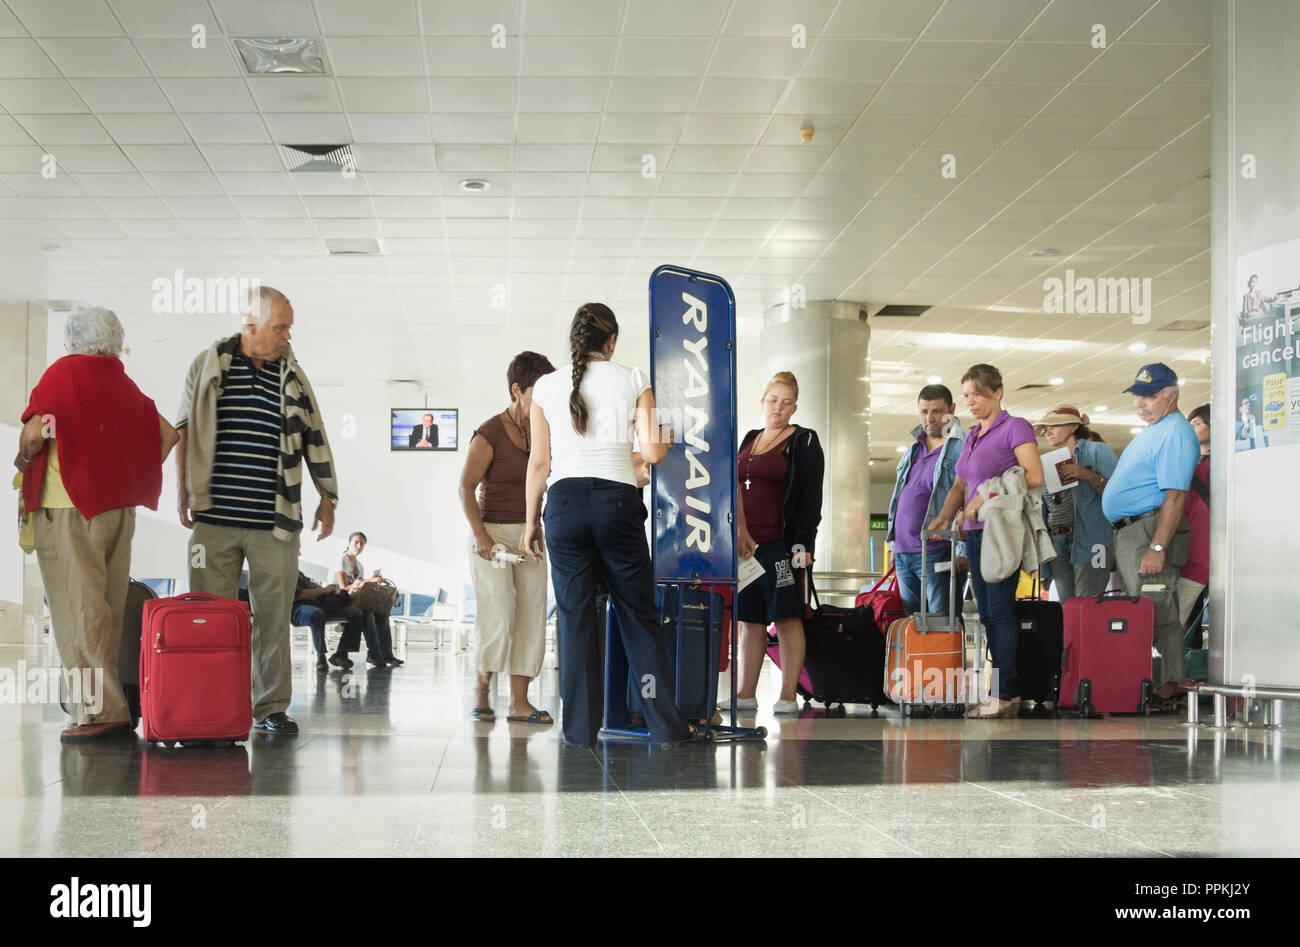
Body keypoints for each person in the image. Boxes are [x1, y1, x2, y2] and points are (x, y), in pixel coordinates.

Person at [522, 303, 693, 746]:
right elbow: (653, 454)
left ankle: (580, 731)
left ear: (574, 340)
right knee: (638, 616)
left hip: (563, 507)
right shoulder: (633, 378)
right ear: (611, 341)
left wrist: (530, 523)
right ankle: (665, 725)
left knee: (575, 619)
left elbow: (539, 463)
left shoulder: (545, 387)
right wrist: (662, 437)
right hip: (617, 505)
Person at [175, 285, 339, 735]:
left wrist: (327, 496)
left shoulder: (293, 377)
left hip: (275, 523)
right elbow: (184, 429)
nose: (287, 336)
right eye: (280, 327)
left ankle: (270, 707)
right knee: (210, 619)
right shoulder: (208, 365)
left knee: (273, 619)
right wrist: (182, 492)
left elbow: (315, 434)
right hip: (214, 520)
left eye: (289, 328)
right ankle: (212, 707)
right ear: (251, 324)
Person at [16, 306, 178, 742]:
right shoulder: (123, 383)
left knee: (77, 614)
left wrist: (26, 458)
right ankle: (112, 704)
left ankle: (100, 712)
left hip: (69, 511)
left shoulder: (63, 374)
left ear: (72, 341)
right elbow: (168, 435)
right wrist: (128, 475)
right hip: (118, 512)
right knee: (106, 610)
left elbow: (34, 434)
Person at [928, 364, 1044, 718]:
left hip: (1002, 530)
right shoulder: (974, 435)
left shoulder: (1015, 427)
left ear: (997, 392)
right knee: (989, 616)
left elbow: (1034, 476)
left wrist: (985, 495)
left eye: (977, 394)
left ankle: (1006, 693)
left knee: (1000, 612)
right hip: (976, 534)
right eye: (967, 396)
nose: (971, 401)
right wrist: (944, 515)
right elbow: (961, 483)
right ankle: (1001, 690)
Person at [458, 351, 556, 723]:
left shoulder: (547, 429)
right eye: (538, 393)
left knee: (532, 616)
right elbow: (465, 488)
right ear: (517, 391)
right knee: (498, 612)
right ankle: (482, 693)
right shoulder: (490, 433)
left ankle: (519, 702)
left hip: (531, 534)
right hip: (493, 535)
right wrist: (481, 536)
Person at [1101, 363, 1199, 709]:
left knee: (1156, 610)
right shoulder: (1156, 429)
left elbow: (1176, 495)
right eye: (1137, 395)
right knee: (1149, 610)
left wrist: (1157, 546)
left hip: (1149, 530)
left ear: (1172, 396)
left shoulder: (1175, 433)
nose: (1140, 403)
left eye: (1149, 396)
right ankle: (1159, 682)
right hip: (1134, 531)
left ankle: (1165, 685)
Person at [728, 372, 825, 715]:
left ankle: (787, 695)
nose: (778, 408)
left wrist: (803, 546)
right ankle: (745, 693)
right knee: (750, 620)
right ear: (762, 401)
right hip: (746, 547)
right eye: (773, 401)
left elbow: (811, 498)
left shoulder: (803, 440)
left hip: (781, 546)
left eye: (786, 403)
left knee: (786, 617)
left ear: (794, 407)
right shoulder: (749, 439)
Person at [887, 383, 964, 617]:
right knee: (912, 626)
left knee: (943, 623)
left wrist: (962, 550)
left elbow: (968, 497)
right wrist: (894, 546)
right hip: (904, 553)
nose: (929, 418)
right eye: (924, 412)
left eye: (937, 411)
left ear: (952, 409)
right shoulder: (913, 449)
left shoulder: (962, 448)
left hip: (939, 550)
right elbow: (899, 498)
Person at [1034, 406, 1119, 601]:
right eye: (1046, 428)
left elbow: (1117, 495)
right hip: (1058, 540)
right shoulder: (1053, 461)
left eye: (1054, 426)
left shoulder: (1097, 451)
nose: (1047, 432)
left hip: (1091, 538)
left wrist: (1088, 475)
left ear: (1073, 427)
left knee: (1087, 603)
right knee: (1068, 605)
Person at [336, 531, 402, 668]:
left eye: (362, 544)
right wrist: (367, 581)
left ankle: (386, 654)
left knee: (382, 616)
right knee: (368, 615)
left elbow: (360, 590)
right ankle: (373, 655)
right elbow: (344, 588)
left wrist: (372, 583)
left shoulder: (359, 566)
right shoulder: (342, 560)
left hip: (355, 601)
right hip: (341, 600)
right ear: (348, 544)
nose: (359, 546)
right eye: (356, 542)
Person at [292, 568, 369, 672]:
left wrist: (329, 590)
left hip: (316, 604)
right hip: (298, 607)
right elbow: (299, 594)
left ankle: (341, 653)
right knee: (316, 614)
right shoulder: (285, 572)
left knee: (355, 613)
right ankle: (321, 656)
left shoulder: (298, 572)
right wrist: (323, 590)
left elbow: (310, 583)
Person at [1180, 403, 1211, 628]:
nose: (1192, 428)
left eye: (1198, 423)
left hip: (1210, 543)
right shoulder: (1186, 461)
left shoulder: (1222, 463)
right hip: (1187, 542)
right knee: (1189, 618)